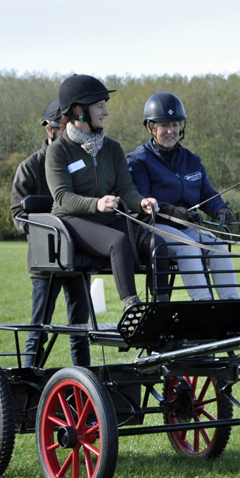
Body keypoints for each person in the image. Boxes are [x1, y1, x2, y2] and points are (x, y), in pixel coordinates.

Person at [45, 74, 160, 311]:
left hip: (107, 219)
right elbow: (63, 197)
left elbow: (126, 189)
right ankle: (133, 308)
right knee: (118, 242)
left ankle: (160, 310)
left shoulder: (112, 148)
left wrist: (141, 203)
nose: (105, 112)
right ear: (79, 111)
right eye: (99, 106)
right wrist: (96, 204)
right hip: (72, 221)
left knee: (157, 244)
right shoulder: (58, 151)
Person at [127, 93, 239, 301]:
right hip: (153, 226)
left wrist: (220, 208)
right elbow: (139, 196)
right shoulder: (138, 161)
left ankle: (231, 304)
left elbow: (206, 193)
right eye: (164, 126)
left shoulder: (192, 160)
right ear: (150, 128)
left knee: (217, 246)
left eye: (175, 125)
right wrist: (169, 209)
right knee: (187, 246)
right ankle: (203, 303)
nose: (171, 131)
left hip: (185, 226)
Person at [10, 98, 91, 367]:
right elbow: (18, 215)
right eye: (62, 128)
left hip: (78, 258)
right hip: (45, 263)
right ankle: (28, 382)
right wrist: (47, 232)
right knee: (39, 328)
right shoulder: (30, 168)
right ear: (50, 129)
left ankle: (85, 383)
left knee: (80, 329)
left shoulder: (80, 164)